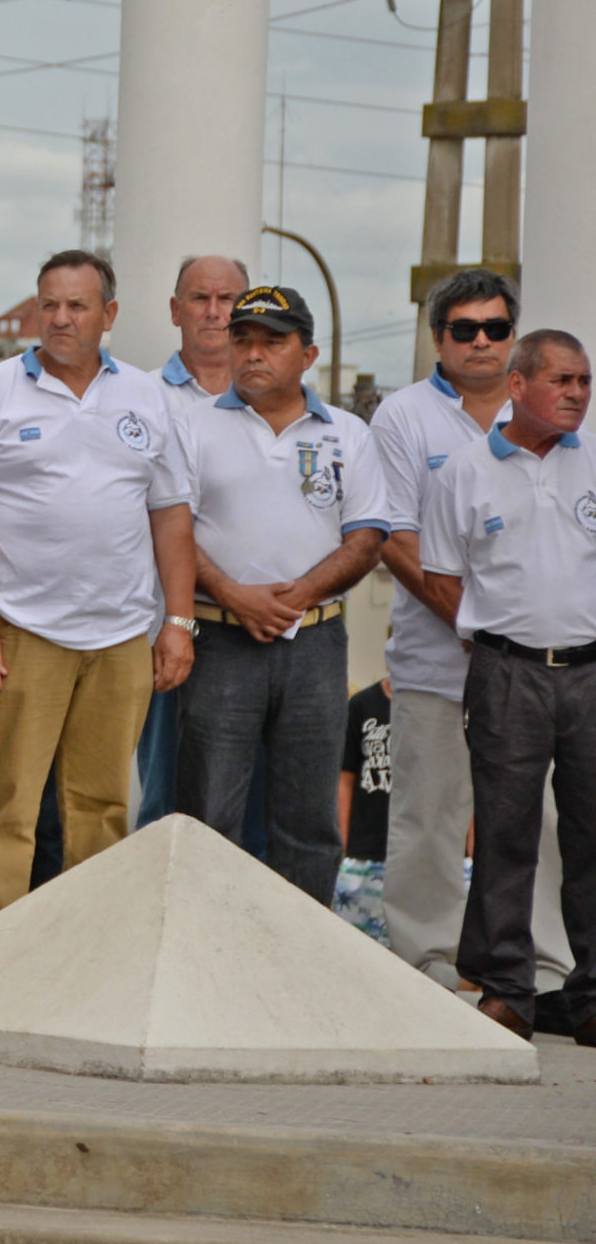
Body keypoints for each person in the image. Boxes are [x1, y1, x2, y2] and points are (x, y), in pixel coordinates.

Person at [0, 251, 196, 920]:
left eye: (77, 305)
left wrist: (178, 623)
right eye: (49, 304)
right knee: (7, 809)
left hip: (121, 636)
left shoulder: (147, 398)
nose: (60, 318)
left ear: (108, 314)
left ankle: (90, 958)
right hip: (21, 629)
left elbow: (171, 517)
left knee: (104, 810)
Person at [371, 270, 573, 998]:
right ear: (437, 338)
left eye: (494, 328)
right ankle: (426, 961)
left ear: (513, 337)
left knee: (543, 821)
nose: (481, 341)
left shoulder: (561, 418)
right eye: (465, 329)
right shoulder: (403, 416)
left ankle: (549, 968)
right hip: (438, 660)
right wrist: (472, 624)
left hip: (545, 671)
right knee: (429, 811)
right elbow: (393, 534)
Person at [175, 284, 386, 904]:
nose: (254, 354)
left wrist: (293, 598)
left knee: (309, 823)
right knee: (208, 815)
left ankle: (299, 974)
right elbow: (170, 529)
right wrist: (235, 595)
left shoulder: (348, 432)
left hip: (315, 641)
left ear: (309, 353)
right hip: (219, 639)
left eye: (273, 341)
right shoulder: (191, 425)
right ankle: (201, 961)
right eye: (242, 340)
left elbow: (368, 535)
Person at [418, 327, 596, 1043]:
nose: (576, 395)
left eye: (584, 382)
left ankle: (587, 998)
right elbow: (441, 574)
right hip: (506, 671)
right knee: (504, 834)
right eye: (561, 381)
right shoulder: (464, 470)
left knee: (591, 835)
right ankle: (507, 991)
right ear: (517, 385)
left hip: (590, 670)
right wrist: (494, 640)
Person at [134, 253, 250, 828]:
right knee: (165, 799)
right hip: (168, 631)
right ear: (175, 310)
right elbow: (155, 521)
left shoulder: (273, 400)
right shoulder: (143, 398)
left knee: (251, 807)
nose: (213, 311)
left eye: (227, 298)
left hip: (261, 634)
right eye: (199, 299)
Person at [337, 679, 392, 944]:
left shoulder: (437, 709)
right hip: (364, 854)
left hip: (413, 855)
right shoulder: (362, 705)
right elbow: (344, 780)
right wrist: (342, 846)